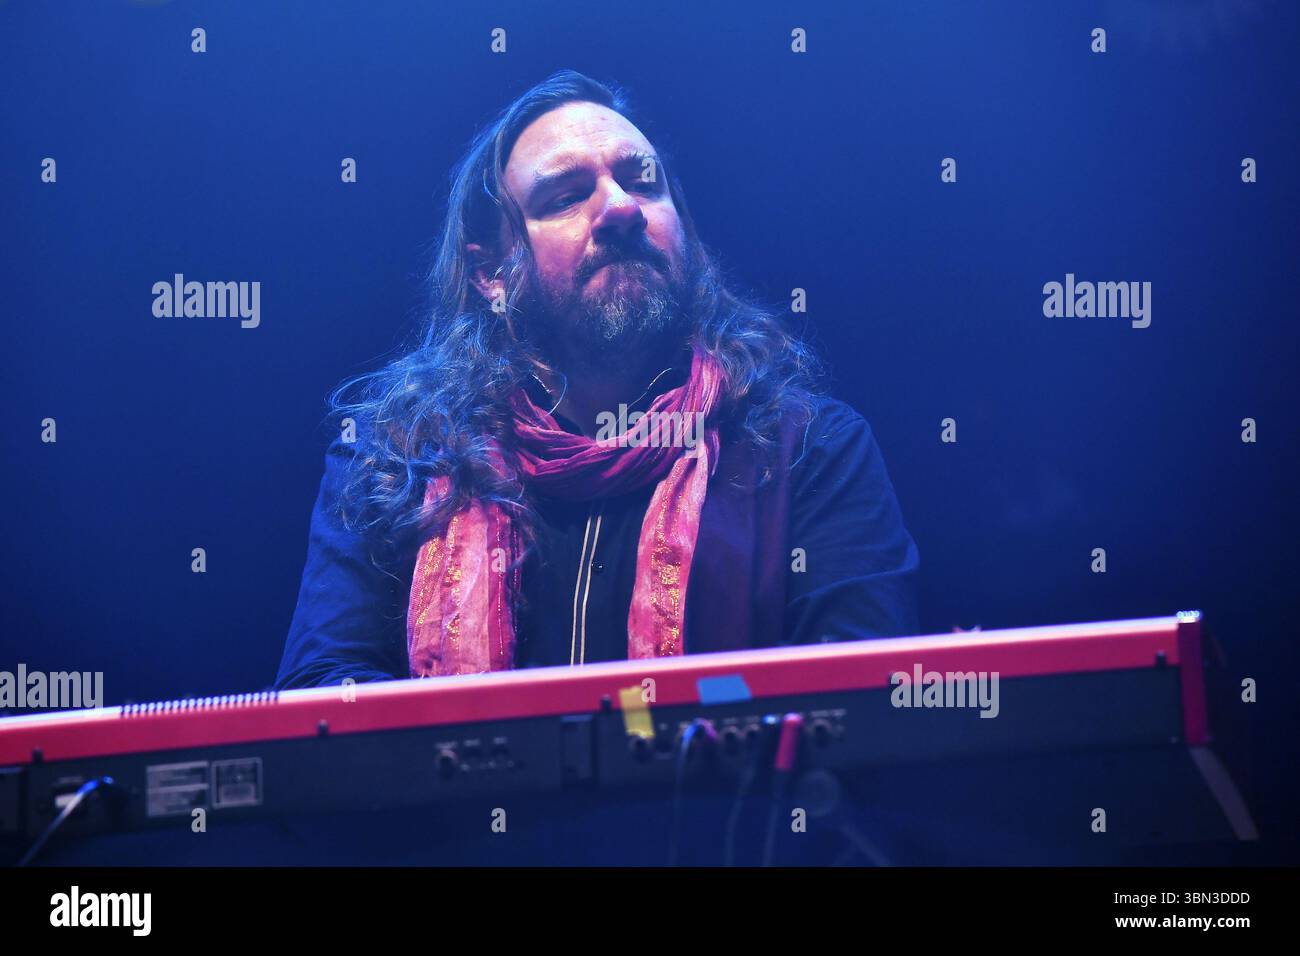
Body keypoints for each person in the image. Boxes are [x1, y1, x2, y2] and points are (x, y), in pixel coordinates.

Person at [274, 70, 919, 689]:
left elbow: (858, 711)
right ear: (492, 275)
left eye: (644, 182)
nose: (621, 209)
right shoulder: (395, 457)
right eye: (565, 197)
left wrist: (682, 738)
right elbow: (328, 700)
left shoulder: (808, 448)